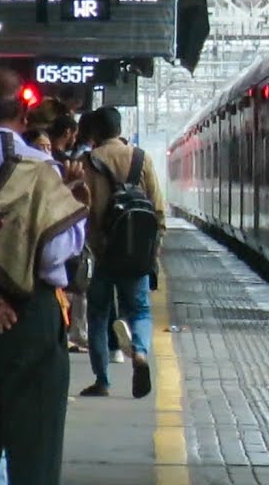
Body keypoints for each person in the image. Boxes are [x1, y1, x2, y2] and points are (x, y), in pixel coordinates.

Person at [0, 67, 89, 485]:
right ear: (24, 117)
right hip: (33, 317)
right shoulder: (41, 168)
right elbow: (56, 253)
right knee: (35, 451)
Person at [80, 106, 166, 398]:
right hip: (137, 252)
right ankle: (140, 353)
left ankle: (102, 380)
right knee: (140, 309)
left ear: (95, 133)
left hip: (104, 253)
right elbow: (157, 208)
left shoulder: (90, 161)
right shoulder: (142, 158)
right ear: (119, 129)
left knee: (98, 315)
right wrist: (153, 251)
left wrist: (93, 246)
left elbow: (85, 210)